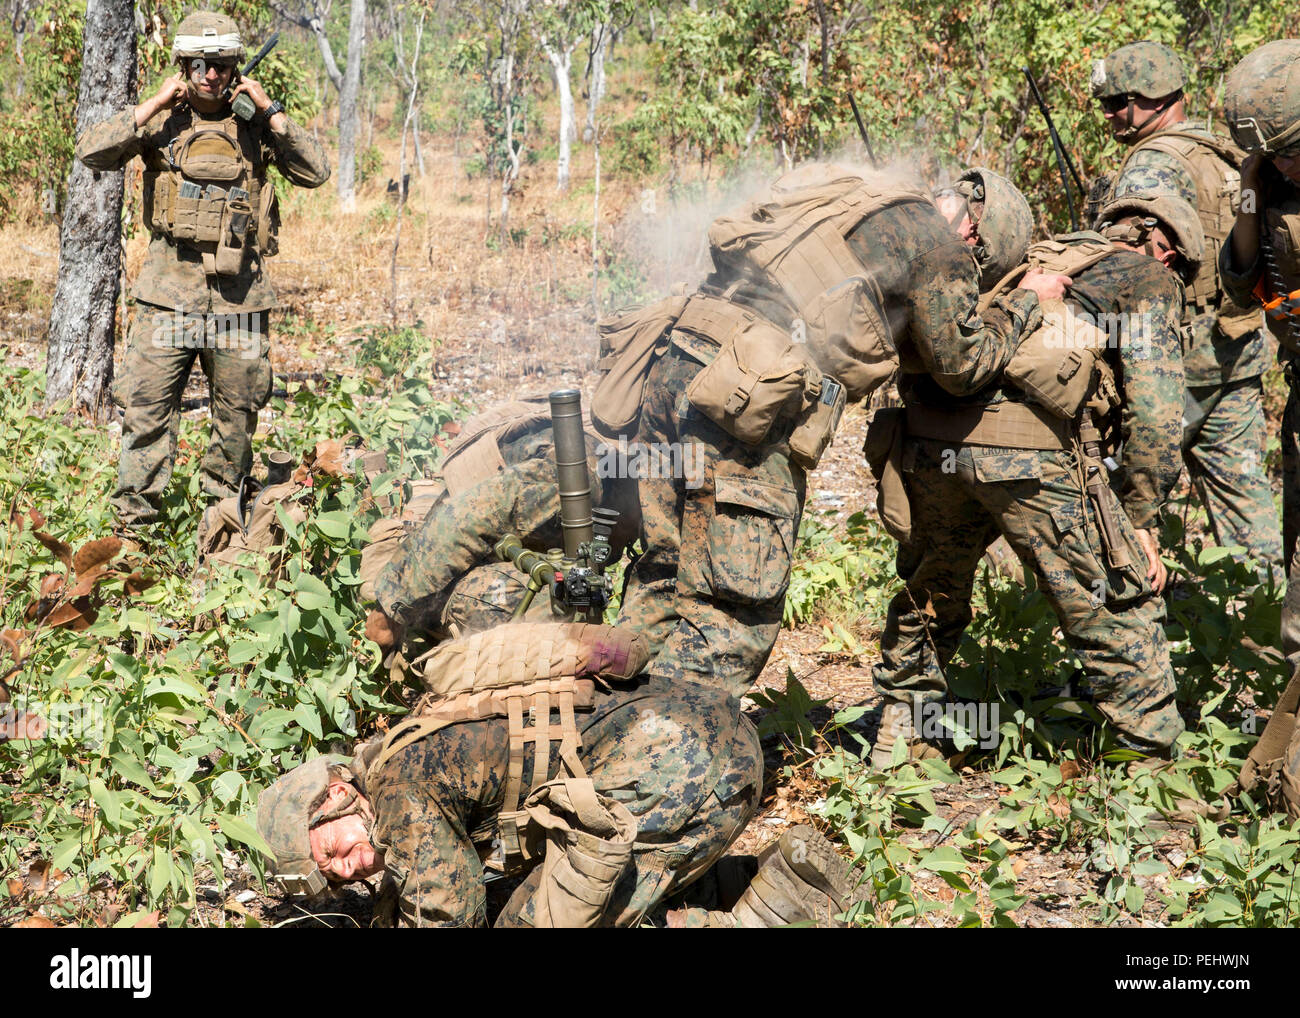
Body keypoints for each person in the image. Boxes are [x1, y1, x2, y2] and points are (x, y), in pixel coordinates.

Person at [613, 163, 1068, 699]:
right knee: (732, 614)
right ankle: (675, 753)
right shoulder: (943, 247)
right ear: (980, 239)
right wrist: (1026, 300)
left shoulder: (867, 200)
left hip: (676, 359)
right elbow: (960, 365)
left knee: (664, 574)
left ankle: (613, 723)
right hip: (744, 400)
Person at [870, 192, 1204, 767]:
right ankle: (1151, 767)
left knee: (931, 592)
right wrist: (1141, 520)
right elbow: (1157, 416)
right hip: (1029, 455)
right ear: (1167, 250)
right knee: (1114, 602)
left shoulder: (1035, 258)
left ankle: (900, 746)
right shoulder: (1150, 279)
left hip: (928, 440)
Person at [256, 620, 853, 927]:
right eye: (333, 877)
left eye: (332, 850)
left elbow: (447, 912)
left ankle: (768, 918)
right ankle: (770, 882)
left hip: (674, 763)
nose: (350, 867)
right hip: (705, 736)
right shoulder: (404, 750)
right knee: (571, 891)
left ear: (338, 794)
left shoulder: (397, 788)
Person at [74, 11, 330, 538]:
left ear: (235, 65)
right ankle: (134, 535)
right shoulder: (163, 122)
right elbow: (91, 153)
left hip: (238, 303)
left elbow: (316, 172)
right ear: (182, 65)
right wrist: (153, 105)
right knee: (146, 414)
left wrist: (270, 112)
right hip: (168, 298)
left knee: (236, 421)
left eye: (220, 64)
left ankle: (222, 534)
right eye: (198, 64)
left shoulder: (254, 124)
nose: (209, 74)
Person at [1090, 40, 1280, 579]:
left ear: (1149, 99)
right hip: (1237, 351)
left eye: (1116, 103)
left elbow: (1131, 274)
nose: (1107, 115)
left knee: (1121, 504)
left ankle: (1124, 632)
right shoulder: (1222, 153)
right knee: (1247, 514)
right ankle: (1268, 638)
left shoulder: (1151, 165)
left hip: (1174, 366)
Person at [362, 397, 641, 653]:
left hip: (501, 531)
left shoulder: (637, 486)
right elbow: (463, 520)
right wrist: (388, 614)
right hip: (458, 527)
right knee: (554, 612)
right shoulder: (570, 480)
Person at [1218, 39, 1300, 664]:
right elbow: (1240, 279)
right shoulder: (1267, 184)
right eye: (1273, 154)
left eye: (1291, 150)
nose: (1285, 165)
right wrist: (1251, 185)